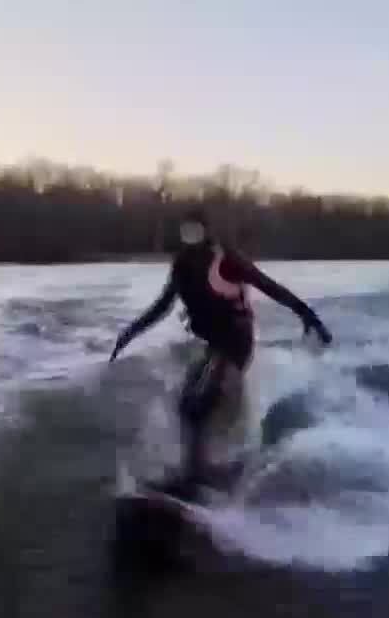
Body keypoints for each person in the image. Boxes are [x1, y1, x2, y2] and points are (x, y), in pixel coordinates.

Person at [110, 207, 332, 492]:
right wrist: (129, 333)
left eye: (195, 228)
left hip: (236, 340)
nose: (190, 233)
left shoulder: (227, 260)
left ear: (205, 230)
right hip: (214, 343)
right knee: (184, 403)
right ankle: (200, 465)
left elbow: (270, 287)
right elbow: (162, 307)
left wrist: (307, 315)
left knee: (198, 403)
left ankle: (197, 473)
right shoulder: (182, 264)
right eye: (185, 228)